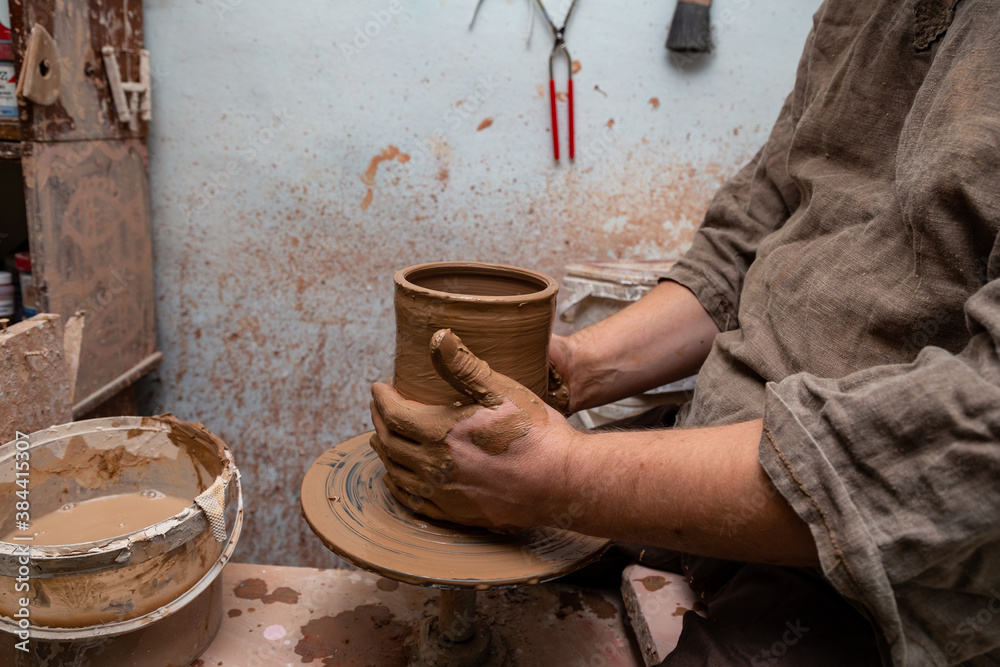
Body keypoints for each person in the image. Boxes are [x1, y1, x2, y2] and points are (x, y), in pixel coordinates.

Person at [370, 0, 1000, 664]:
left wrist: (567, 476)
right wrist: (571, 368)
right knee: (429, 515)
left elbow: (978, 434)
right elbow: (743, 238)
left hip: (891, 551)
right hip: (717, 445)